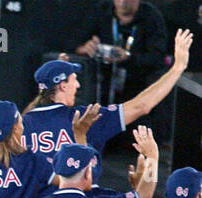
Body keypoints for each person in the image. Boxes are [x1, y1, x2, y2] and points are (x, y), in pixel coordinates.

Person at [22, 33, 192, 163]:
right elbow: (141, 106)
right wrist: (178, 67)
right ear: (63, 86)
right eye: (75, 79)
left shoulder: (21, 125)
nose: (78, 85)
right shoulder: (86, 119)